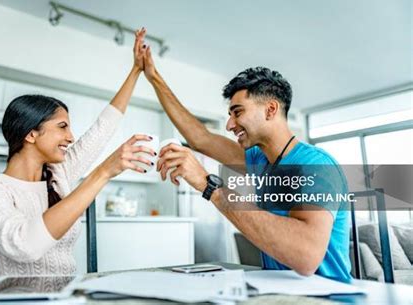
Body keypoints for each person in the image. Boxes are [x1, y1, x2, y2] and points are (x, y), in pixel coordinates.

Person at [139, 40, 351, 282]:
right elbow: (200, 137)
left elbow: (306, 257)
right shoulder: (259, 159)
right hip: (281, 292)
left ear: (270, 110)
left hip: (327, 296)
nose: (229, 124)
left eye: (238, 112)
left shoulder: (315, 166)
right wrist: (153, 77)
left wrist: (210, 186)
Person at [0, 29, 155, 279]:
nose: (71, 137)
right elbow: (24, 245)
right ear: (31, 134)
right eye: (62, 127)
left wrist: (135, 71)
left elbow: (103, 127)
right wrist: (103, 173)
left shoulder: (58, 174)